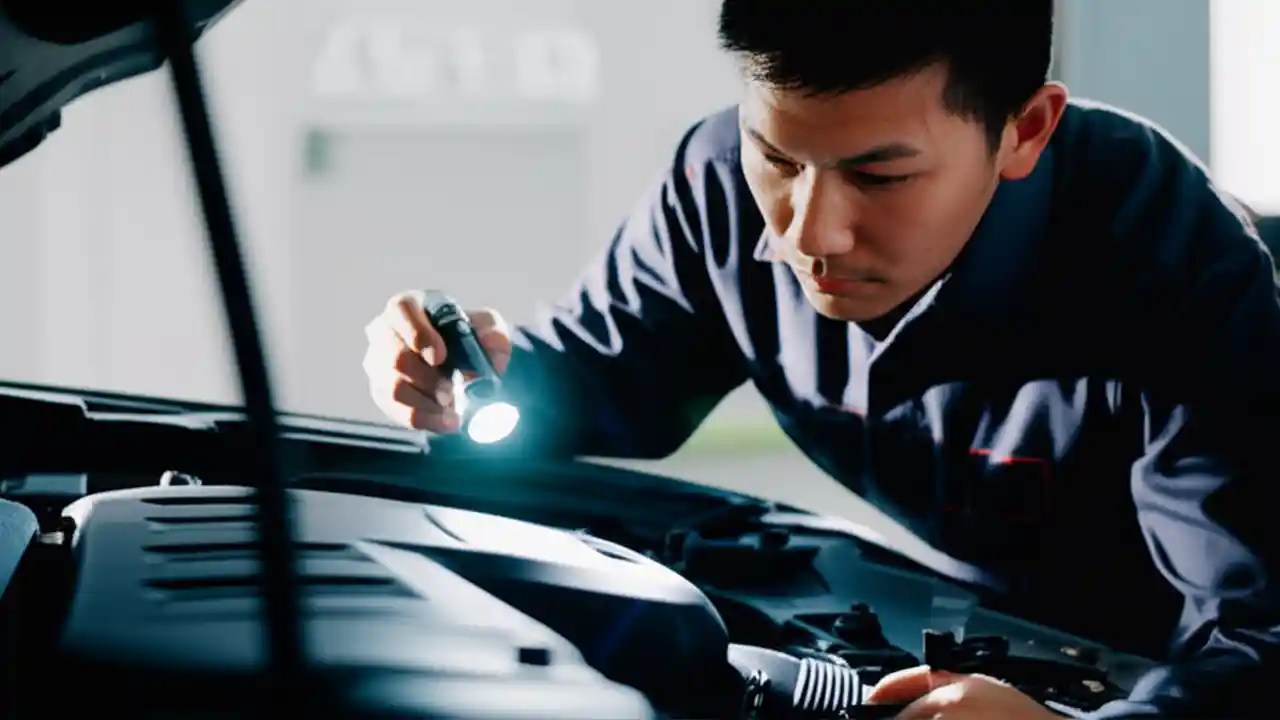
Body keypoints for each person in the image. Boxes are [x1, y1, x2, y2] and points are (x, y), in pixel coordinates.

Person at [362, 1, 1280, 717]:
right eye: (778, 155)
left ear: (1025, 131)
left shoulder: (1175, 263)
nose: (809, 233)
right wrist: (460, 375)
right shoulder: (717, 184)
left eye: (880, 176)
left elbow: (1259, 636)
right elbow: (606, 384)